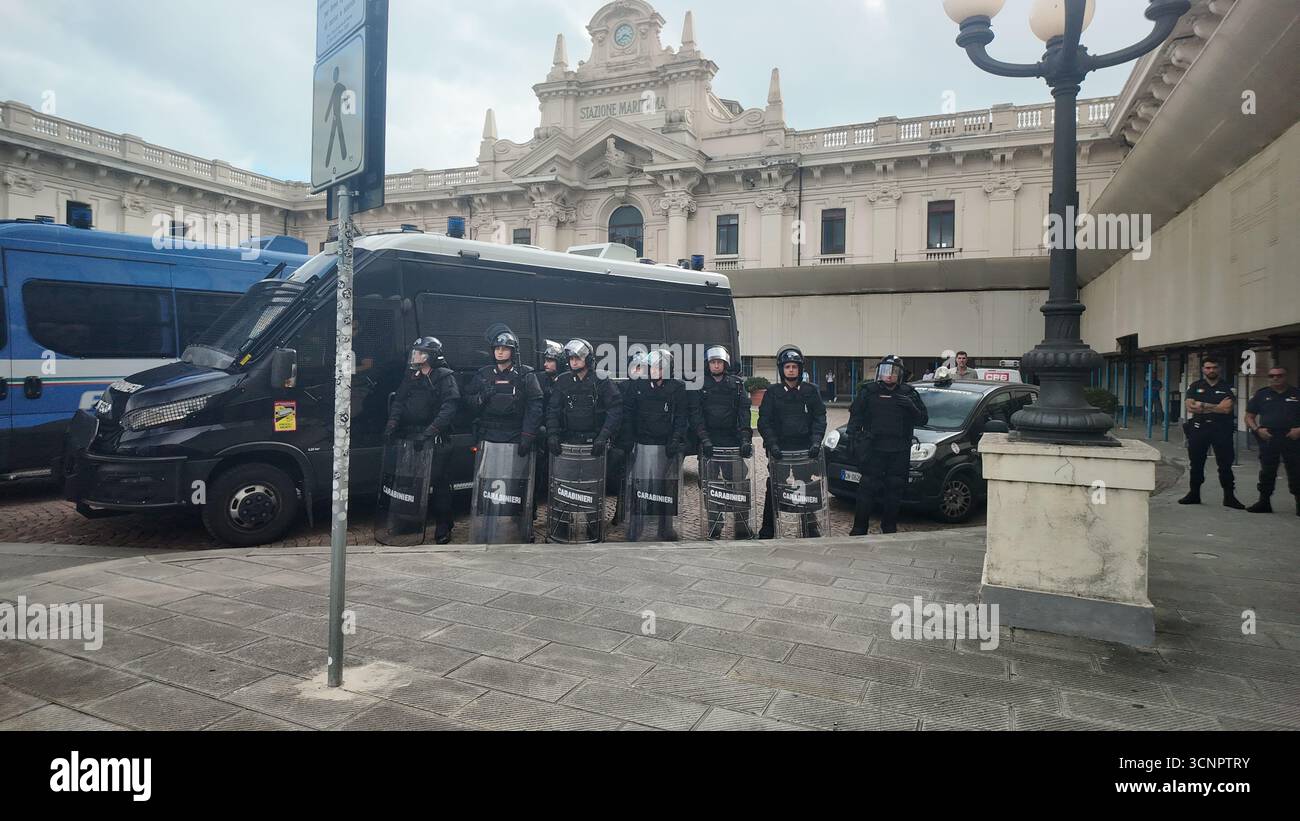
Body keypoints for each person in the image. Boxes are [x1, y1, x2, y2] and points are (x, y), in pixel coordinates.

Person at [383, 337, 461, 544]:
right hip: (411, 436)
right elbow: (399, 401)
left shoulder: (445, 377)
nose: (415, 356)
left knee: (440, 484)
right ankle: (408, 522)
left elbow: (449, 407)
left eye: (419, 352)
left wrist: (430, 432)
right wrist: (392, 424)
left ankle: (444, 525)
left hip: (435, 439)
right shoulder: (412, 376)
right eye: (415, 352)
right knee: (409, 482)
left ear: (430, 356)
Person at [547, 339, 623, 537]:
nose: (573, 361)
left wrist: (603, 437)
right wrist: (553, 435)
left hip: (592, 444)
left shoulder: (601, 380)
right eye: (571, 358)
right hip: (567, 444)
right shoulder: (562, 381)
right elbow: (553, 410)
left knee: (592, 488)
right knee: (563, 486)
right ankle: (561, 528)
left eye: (578, 357)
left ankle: (593, 529)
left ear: (588, 359)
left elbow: (615, 410)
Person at [847, 355, 928, 536]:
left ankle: (889, 528)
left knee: (895, 490)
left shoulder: (908, 393)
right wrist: (853, 441)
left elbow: (923, 419)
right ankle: (859, 529)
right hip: (874, 449)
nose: (889, 375)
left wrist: (911, 407)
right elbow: (855, 417)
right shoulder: (869, 391)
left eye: (893, 372)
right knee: (866, 489)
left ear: (900, 374)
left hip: (898, 450)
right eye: (885, 371)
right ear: (879, 372)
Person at [758, 345, 827, 539]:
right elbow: (764, 421)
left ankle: (809, 527)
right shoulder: (772, 392)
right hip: (779, 449)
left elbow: (819, 418)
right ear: (782, 369)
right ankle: (767, 529)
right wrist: (772, 444)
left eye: (794, 367)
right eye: (787, 366)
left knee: (804, 486)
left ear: (800, 369)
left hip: (805, 449)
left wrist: (815, 442)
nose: (791, 370)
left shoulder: (810, 391)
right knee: (773, 487)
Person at [623, 349, 689, 541]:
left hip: (666, 446)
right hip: (642, 444)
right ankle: (636, 528)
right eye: (652, 366)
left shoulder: (677, 387)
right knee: (640, 486)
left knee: (665, 489)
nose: (655, 370)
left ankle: (666, 529)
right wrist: (629, 439)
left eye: (660, 367)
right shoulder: (639, 386)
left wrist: (675, 439)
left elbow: (681, 417)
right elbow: (629, 414)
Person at [691, 345, 754, 540]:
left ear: (725, 364)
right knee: (711, 486)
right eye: (712, 362)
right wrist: (704, 439)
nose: (716, 365)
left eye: (719, 362)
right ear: (708, 364)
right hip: (709, 445)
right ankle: (714, 526)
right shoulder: (700, 385)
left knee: (739, 484)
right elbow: (696, 415)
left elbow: (744, 413)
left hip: (732, 444)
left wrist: (745, 438)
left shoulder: (736, 385)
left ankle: (742, 527)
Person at [1178, 356, 1245, 509]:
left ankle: (1229, 497)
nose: (1211, 370)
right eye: (1208, 368)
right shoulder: (1195, 386)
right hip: (1199, 428)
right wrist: (1215, 407)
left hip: (1221, 429)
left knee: (1225, 464)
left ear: (1219, 369)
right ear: (1203, 369)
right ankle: (1194, 494)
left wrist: (1201, 405)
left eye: (1214, 367)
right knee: (1196, 463)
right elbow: (1190, 406)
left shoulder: (1227, 387)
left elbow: (1226, 409)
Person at [1245, 366, 1300, 516]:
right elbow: (1249, 416)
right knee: (1267, 471)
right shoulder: (1262, 395)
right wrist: (1257, 430)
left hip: (1292, 437)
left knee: (1296, 471)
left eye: (1279, 375)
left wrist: (1299, 430)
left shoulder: (1296, 394)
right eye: (1272, 376)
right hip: (1269, 437)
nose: (1275, 378)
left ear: (1286, 376)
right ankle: (1264, 502)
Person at [610, 351, 648, 528]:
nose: (638, 370)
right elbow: (619, 415)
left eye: (641, 367)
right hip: (626, 441)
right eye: (636, 367)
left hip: (646, 441)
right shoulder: (623, 388)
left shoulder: (652, 387)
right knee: (625, 479)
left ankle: (642, 515)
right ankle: (621, 515)